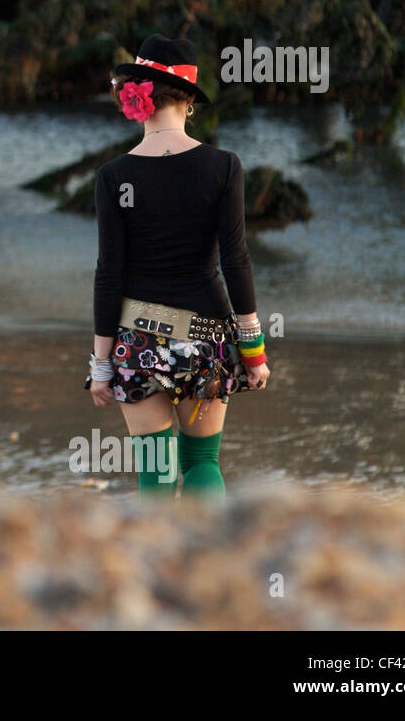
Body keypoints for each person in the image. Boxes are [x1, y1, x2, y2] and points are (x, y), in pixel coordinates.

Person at [84, 34, 272, 500]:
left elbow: (109, 273)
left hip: (137, 338)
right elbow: (236, 260)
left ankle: (157, 564)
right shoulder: (224, 167)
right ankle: (213, 565)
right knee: (202, 462)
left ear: (138, 95)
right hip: (207, 333)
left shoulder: (113, 177)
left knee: (156, 473)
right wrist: (254, 352)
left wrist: (100, 364)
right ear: (189, 99)